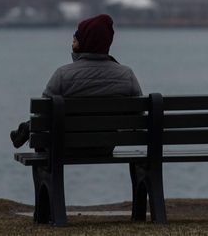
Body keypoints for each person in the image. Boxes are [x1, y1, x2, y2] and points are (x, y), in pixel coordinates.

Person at [10, 13, 142, 148]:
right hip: (105, 147)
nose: (72, 43)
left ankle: (25, 128)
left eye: (75, 39)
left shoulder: (63, 75)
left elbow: (42, 117)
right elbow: (139, 116)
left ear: (84, 42)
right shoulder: (127, 75)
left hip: (65, 150)